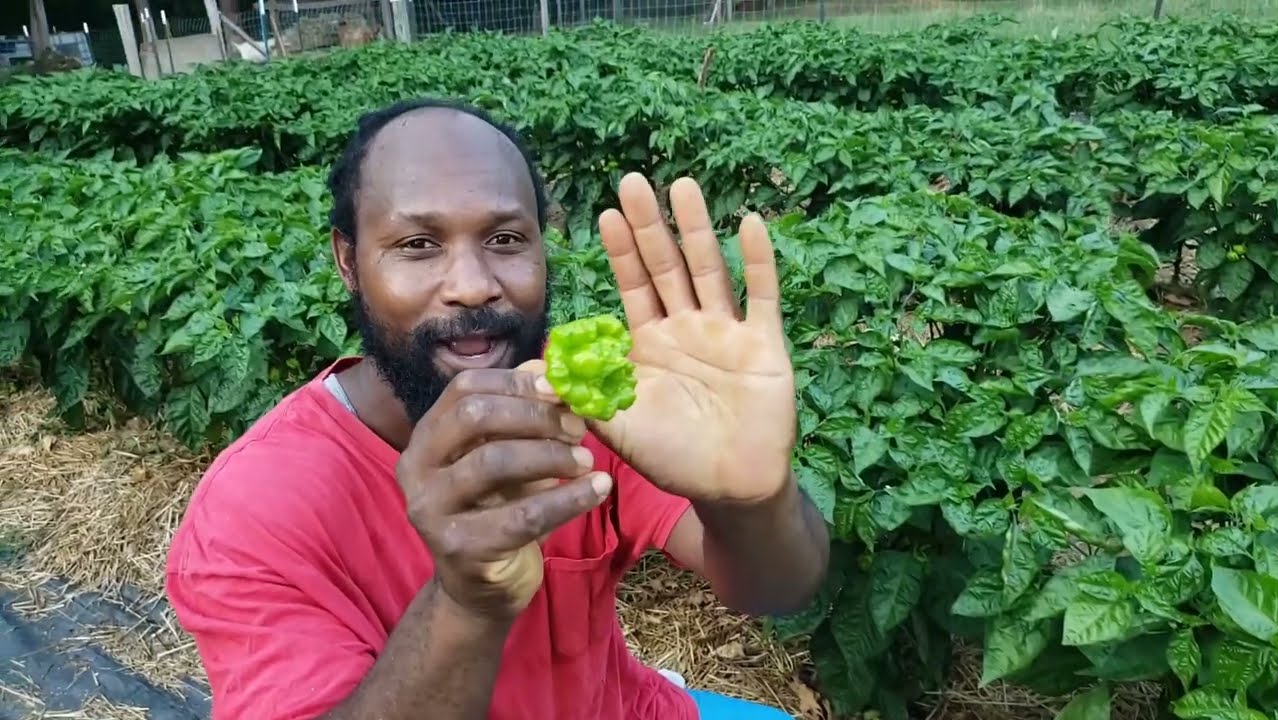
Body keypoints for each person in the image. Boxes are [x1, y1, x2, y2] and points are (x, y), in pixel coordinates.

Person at [163, 97, 830, 720]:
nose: (473, 285)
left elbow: (776, 590)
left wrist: (754, 498)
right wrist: (466, 601)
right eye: (418, 245)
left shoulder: (594, 409)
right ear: (349, 261)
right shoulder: (252, 510)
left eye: (507, 239)